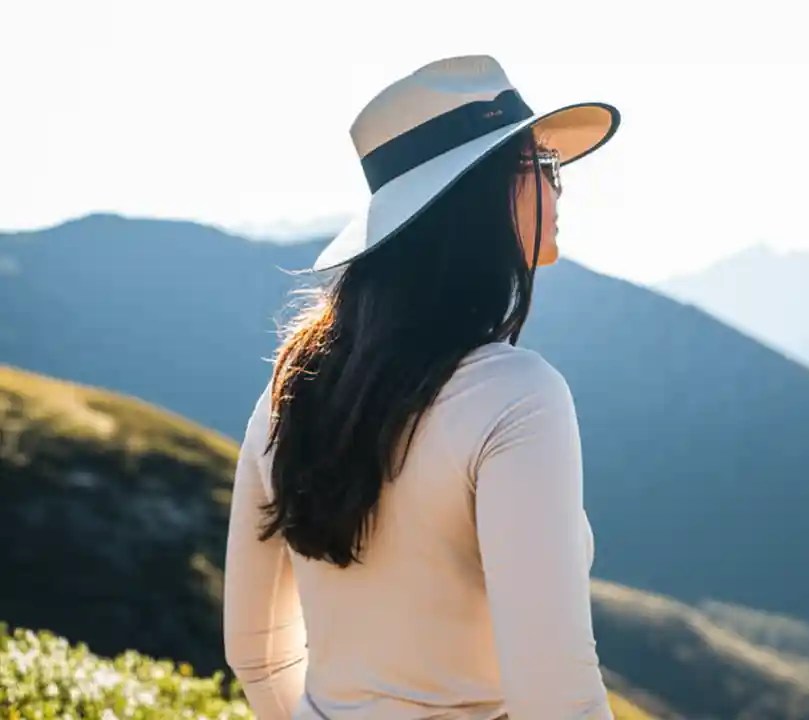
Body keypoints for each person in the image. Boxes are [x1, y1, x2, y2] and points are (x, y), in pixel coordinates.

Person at [222, 55, 621, 720]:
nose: (560, 189)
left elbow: (256, 652)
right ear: (482, 193)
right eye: (543, 165)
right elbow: (558, 699)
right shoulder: (517, 395)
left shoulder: (291, 393)